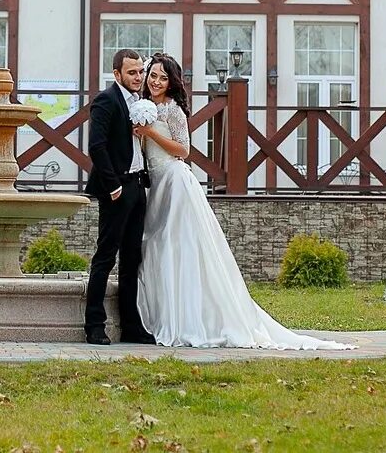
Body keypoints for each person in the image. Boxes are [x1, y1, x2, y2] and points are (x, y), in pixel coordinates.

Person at [134, 53, 355, 351]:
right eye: (153, 75)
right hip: (155, 183)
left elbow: (183, 150)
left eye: (162, 77)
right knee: (158, 246)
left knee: (179, 246)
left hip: (174, 182)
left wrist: (149, 133)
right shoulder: (143, 108)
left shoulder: (173, 111)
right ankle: (162, 310)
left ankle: (191, 318)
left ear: (171, 83)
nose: (156, 81)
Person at [83, 48, 157, 345]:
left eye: (140, 71)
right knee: (105, 256)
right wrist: (113, 186)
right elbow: (96, 146)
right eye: (132, 72)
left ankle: (131, 325)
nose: (138, 77)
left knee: (132, 258)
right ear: (117, 74)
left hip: (138, 187)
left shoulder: (142, 102)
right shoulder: (106, 100)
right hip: (117, 189)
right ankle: (94, 325)